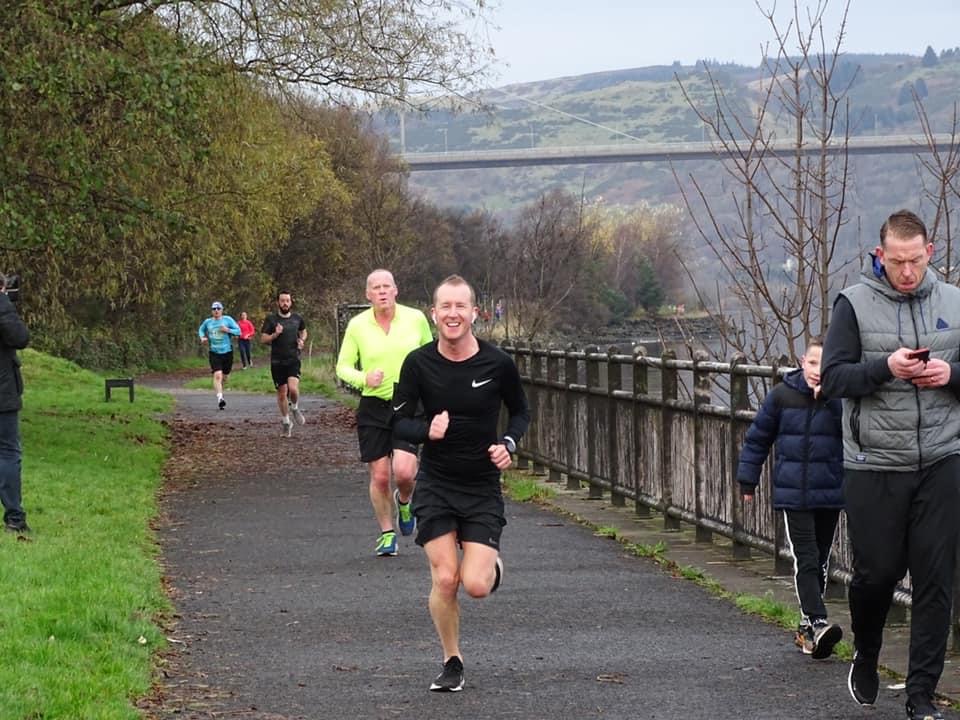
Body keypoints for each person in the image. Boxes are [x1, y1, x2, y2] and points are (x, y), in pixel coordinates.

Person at [821, 209, 960, 720]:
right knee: (876, 574)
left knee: (935, 580)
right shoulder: (853, 305)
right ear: (880, 256)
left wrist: (950, 373)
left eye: (916, 261)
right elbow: (832, 379)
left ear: (931, 252)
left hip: (943, 460)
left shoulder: (954, 302)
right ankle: (868, 649)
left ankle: (922, 695)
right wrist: (886, 368)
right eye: (897, 261)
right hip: (875, 462)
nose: (907, 272)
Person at [392, 274, 530, 692]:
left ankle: (490, 564)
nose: (453, 314)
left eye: (460, 307)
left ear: (474, 312)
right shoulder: (418, 363)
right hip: (436, 481)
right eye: (445, 307)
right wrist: (425, 432)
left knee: (475, 586)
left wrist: (508, 443)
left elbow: (521, 412)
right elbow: (398, 420)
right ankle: (452, 661)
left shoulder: (498, 363)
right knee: (446, 578)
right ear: (434, 314)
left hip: (481, 485)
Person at [736, 337, 844, 660]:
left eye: (825, 366)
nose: (817, 372)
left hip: (830, 492)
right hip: (793, 494)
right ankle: (818, 620)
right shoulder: (782, 396)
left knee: (822, 560)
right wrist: (747, 480)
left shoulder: (840, 399)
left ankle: (806, 628)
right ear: (801, 362)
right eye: (813, 364)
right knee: (806, 557)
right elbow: (757, 439)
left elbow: (858, 432)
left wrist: (831, 398)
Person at [335, 269, 433, 557]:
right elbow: (342, 367)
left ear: (395, 290)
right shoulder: (357, 325)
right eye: (375, 288)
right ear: (368, 295)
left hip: (408, 404)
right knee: (379, 475)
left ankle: (404, 500)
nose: (381, 292)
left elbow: (432, 356)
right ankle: (387, 533)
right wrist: (364, 378)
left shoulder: (415, 319)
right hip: (374, 406)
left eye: (386, 286)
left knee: (404, 471)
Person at [0, 274, 29, 534]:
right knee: (8, 452)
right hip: (3, 394)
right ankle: (14, 518)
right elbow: (20, 337)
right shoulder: (3, 308)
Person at [260, 291, 307, 437]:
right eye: (282, 301)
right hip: (277, 361)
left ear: (291, 302)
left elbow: (304, 331)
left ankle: (295, 407)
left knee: (293, 389)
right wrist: (275, 334)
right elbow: (263, 339)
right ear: (278, 303)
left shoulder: (297, 318)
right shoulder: (271, 319)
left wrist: (302, 340)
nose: (285, 303)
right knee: (281, 393)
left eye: (287, 300)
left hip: (293, 359)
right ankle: (286, 423)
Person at [198, 301, 241, 410]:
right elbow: (201, 329)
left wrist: (227, 330)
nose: (216, 310)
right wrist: (202, 337)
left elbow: (238, 331)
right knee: (217, 375)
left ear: (222, 310)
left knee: (225, 376)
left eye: (218, 308)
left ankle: (220, 388)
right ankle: (220, 398)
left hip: (227, 352)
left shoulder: (228, 320)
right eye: (214, 309)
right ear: (212, 311)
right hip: (214, 352)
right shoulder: (208, 322)